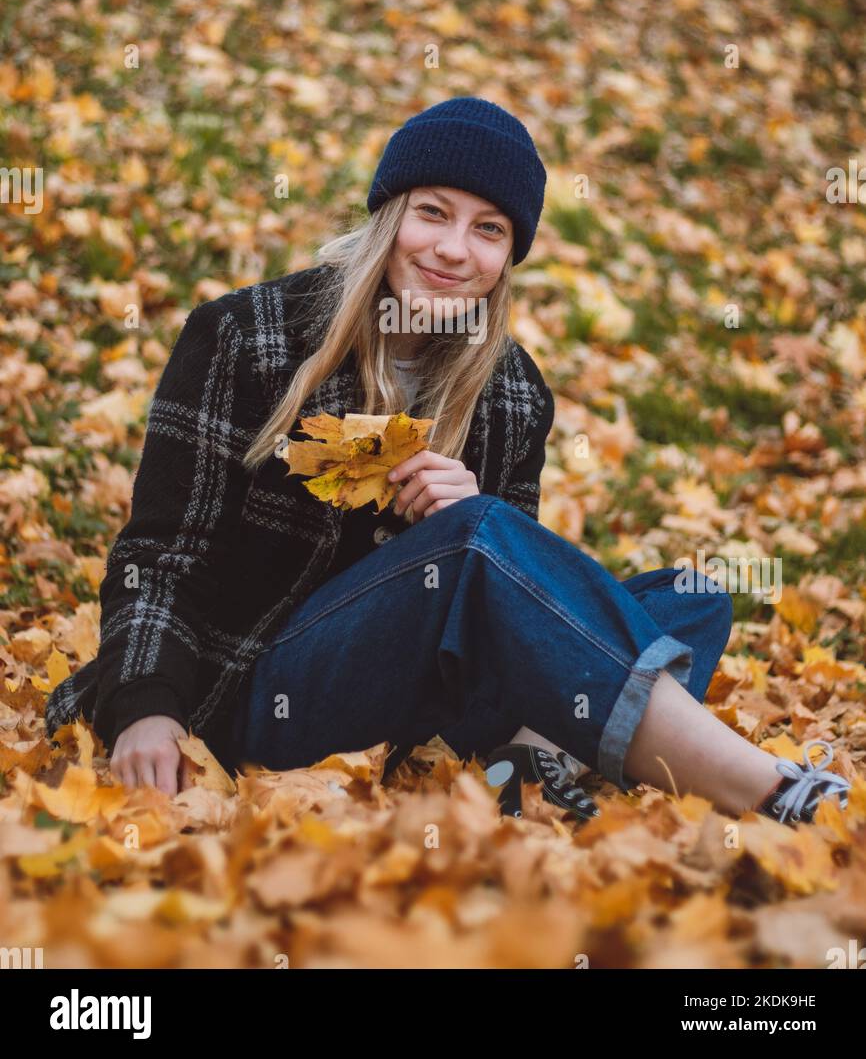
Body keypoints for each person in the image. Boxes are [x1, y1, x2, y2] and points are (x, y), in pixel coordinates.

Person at [45, 97, 851, 828]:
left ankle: (525, 763)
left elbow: (517, 612)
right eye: (434, 213)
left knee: (695, 600)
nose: (453, 250)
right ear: (391, 214)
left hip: (422, 715)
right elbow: (160, 557)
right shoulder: (244, 338)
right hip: (261, 695)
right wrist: (147, 705)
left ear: (509, 255)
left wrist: (461, 513)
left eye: (489, 229)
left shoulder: (513, 393)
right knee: (479, 543)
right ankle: (774, 791)